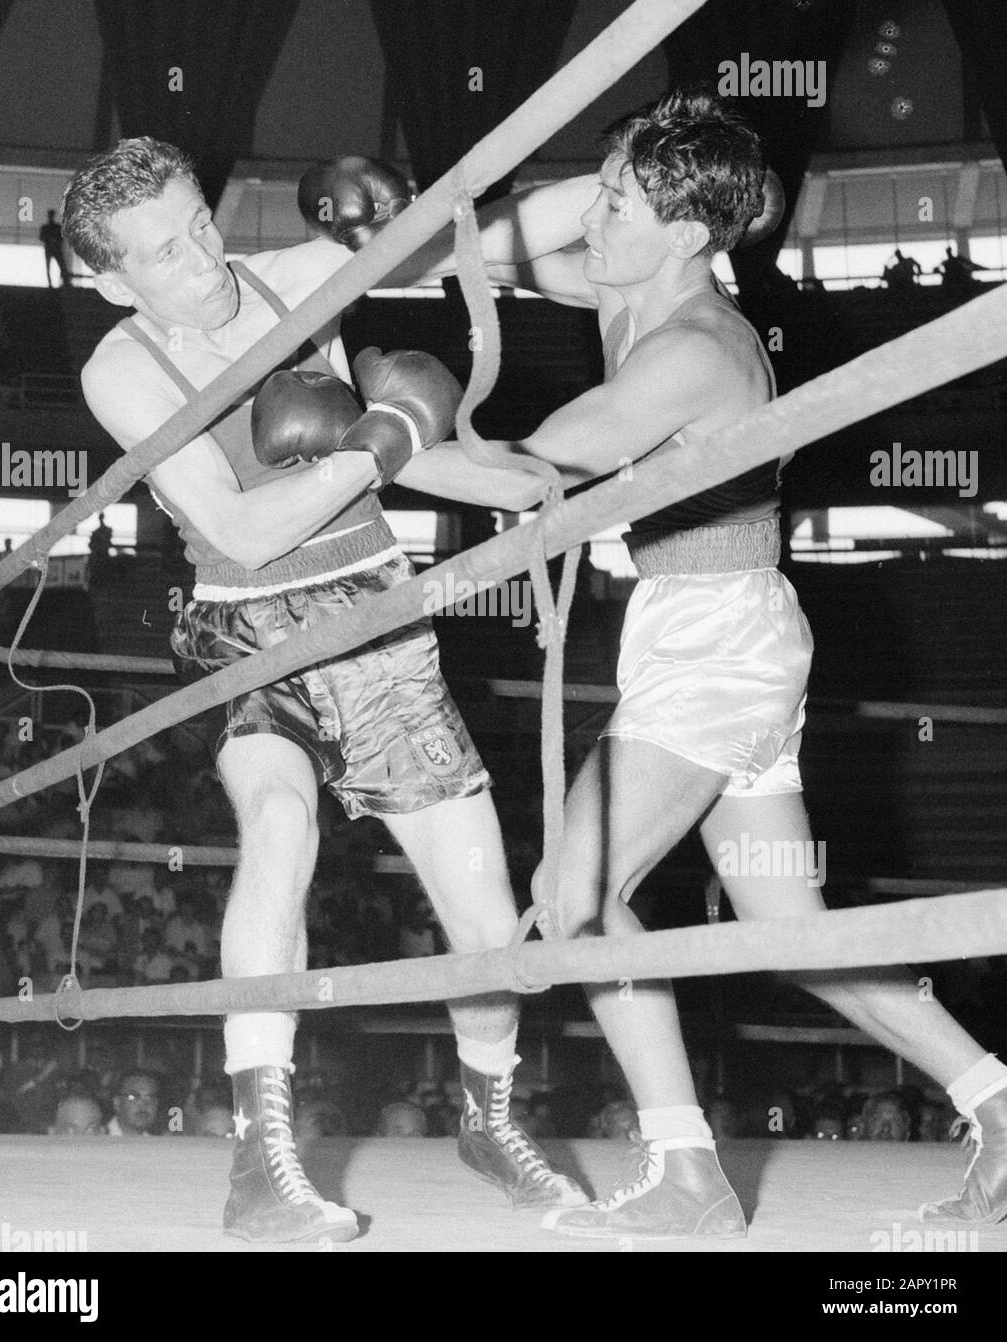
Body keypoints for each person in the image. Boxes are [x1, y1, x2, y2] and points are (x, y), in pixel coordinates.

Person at [397, 86, 1007, 1238]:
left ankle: (686, 1168)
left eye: (619, 199)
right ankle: (1001, 1108)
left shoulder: (694, 347)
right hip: (716, 630)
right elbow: (487, 252)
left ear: (683, 235)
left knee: (572, 899)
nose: (597, 212)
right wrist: (629, 163)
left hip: (714, 643)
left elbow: (533, 470)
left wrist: (367, 443)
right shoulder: (626, 279)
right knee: (795, 934)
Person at [62, 137, 587, 1244]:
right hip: (245, 630)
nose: (203, 258)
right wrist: (386, 438)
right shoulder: (121, 367)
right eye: (164, 253)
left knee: (488, 926)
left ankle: (488, 1117)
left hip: (377, 616)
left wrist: (638, 178)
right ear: (114, 280)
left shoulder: (295, 278)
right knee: (281, 824)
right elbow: (247, 527)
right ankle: (263, 1164)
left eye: (203, 220)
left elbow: (470, 239)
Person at [107, 1070, 160, 1136]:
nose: (144, 1104)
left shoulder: (158, 1144)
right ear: (117, 1102)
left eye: (150, 1097)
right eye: (133, 1097)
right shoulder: (99, 1138)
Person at [39, 209, 72, 287]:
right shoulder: (53, 227)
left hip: (52, 249)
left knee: (57, 266)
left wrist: (51, 240)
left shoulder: (49, 228)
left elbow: (42, 238)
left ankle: (56, 283)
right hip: (53, 249)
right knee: (59, 266)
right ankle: (62, 282)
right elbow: (42, 238)